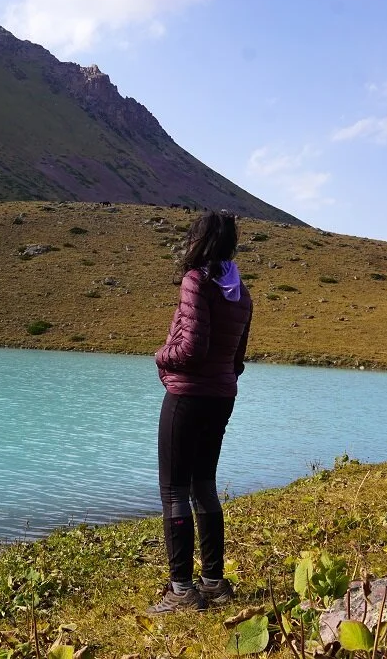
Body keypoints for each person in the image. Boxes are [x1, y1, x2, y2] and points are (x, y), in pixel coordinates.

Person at [149, 210, 252, 614]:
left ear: (199, 240)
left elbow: (191, 348)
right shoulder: (240, 290)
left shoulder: (196, 281)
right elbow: (237, 358)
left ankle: (181, 591)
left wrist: (160, 355)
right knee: (203, 485)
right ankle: (213, 584)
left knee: (174, 489)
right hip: (221, 396)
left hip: (187, 396)